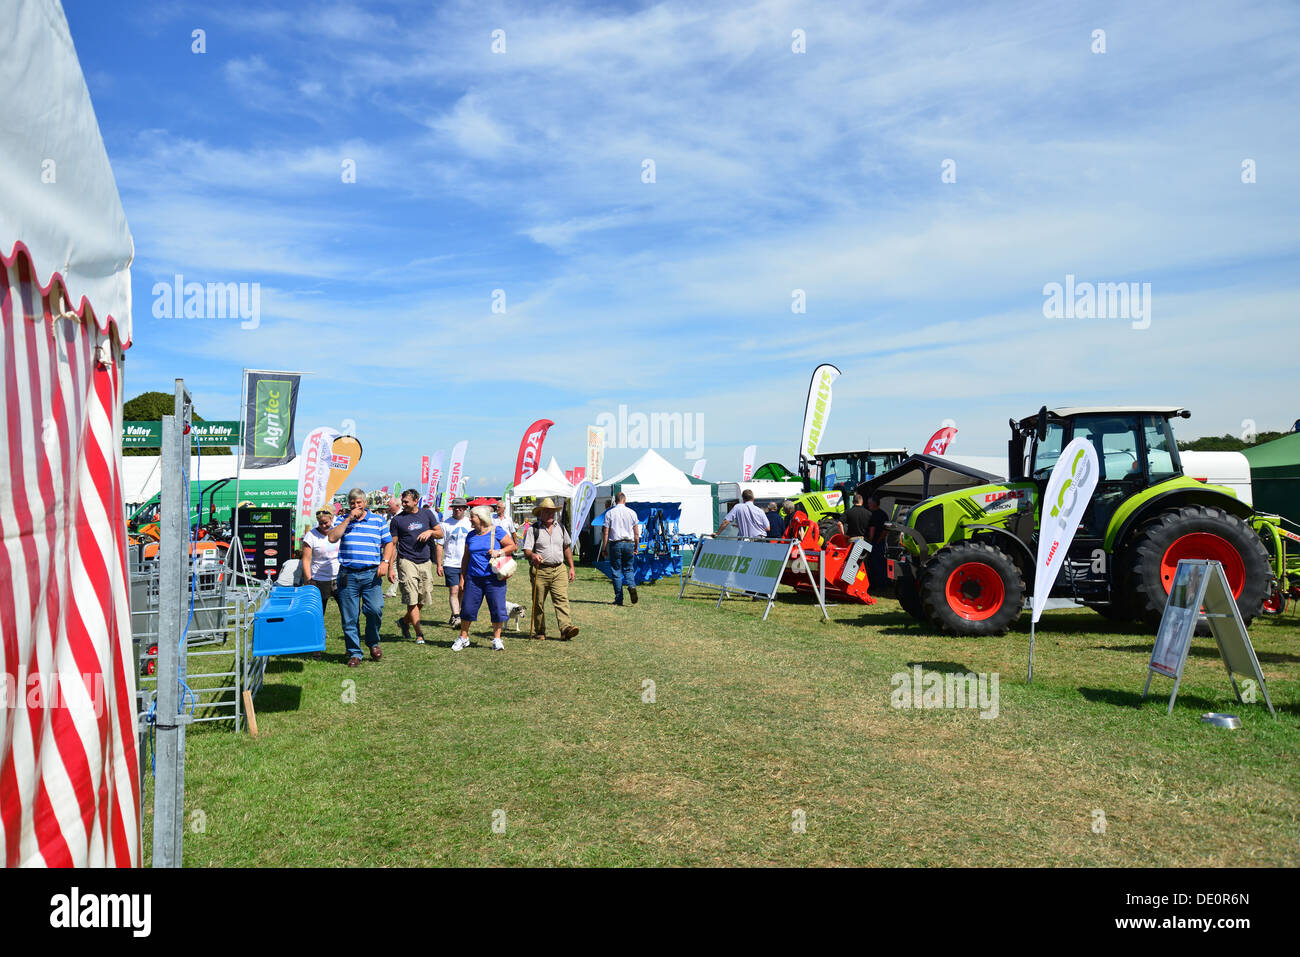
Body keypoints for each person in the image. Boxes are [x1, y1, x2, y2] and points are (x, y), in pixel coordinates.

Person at [327, 487, 396, 667]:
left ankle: (372, 642)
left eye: (359, 503)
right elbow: (332, 538)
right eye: (352, 503)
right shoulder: (342, 520)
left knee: (375, 609)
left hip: (371, 574)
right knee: (350, 616)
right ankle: (355, 652)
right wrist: (349, 518)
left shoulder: (378, 521)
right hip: (348, 575)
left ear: (365, 503)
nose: (356, 506)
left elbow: (389, 543)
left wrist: (385, 562)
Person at [453, 505, 517, 652]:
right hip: (474, 578)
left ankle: (497, 639)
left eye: (472, 516)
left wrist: (499, 551)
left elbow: (512, 546)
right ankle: (463, 637)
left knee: (497, 608)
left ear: (481, 518)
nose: (470, 519)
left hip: (494, 578)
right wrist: (462, 577)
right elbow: (466, 558)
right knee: (467, 609)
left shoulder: (497, 531)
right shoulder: (470, 535)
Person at [389, 488, 443, 644]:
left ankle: (404, 622)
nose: (403, 504)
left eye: (406, 501)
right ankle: (419, 634)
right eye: (402, 501)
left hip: (425, 561)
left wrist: (430, 533)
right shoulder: (397, 520)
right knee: (412, 598)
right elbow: (392, 545)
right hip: (406, 561)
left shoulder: (427, 514)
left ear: (415, 500)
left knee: (423, 597)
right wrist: (391, 567)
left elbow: (440, 533)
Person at [522, 498, 579, 641]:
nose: (550, 514)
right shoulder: (532, 529)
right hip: (540, 570)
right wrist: (533, 555)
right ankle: (540, 631)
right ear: (540, 513)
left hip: (559, 569)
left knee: (562, 599)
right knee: (538, 602)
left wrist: (571, 567)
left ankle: (566, 629)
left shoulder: (561, 527)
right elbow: (526, 551)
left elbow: (566, 547)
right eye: (547, 512)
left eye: (552, 512)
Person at [300, 508, 341, 655]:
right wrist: (309, 579)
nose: (324, 525)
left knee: (347, 613)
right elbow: (306, 559)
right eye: (321, 523)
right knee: (317, 615)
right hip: (319, 579)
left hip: (338, 578)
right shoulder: (311, 536)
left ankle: (351, 647)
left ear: (332, 519)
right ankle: (316, 647)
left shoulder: (338, 532)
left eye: (327, 523)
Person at [435, 497, 472, 626]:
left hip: (467, 563)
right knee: (454, 590)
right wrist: (439, 564)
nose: (457, 509)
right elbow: (439, 545)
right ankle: (457, 616)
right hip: (450, 562)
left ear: (465, 509)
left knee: (462, 590)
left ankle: (455, 613)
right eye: (455, 507)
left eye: (460, 507)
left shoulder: (470, 523)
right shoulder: (445, 524)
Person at [602, 493, 640, 606]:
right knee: (628, 569)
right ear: (624, 500)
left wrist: (604, 547)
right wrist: (636, 547)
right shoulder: (632, 513)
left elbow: (606, 532)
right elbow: (636, 534)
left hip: (615, 544)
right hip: (629, 543)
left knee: (616, 571)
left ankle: (619, 598)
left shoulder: (609, 513)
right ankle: (632, 586)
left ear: (616, 501)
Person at [866, 494, 889, 593]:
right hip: (879, 542)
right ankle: (881, 584)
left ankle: (877, 584)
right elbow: (886, 530)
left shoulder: (875, 515)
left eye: (870, 503)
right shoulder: (883, 514)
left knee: (875, 564)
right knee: (878, 563)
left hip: (875, 543)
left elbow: (874, 529)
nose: (868, 505)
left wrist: (874, 541)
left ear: (875, 503)